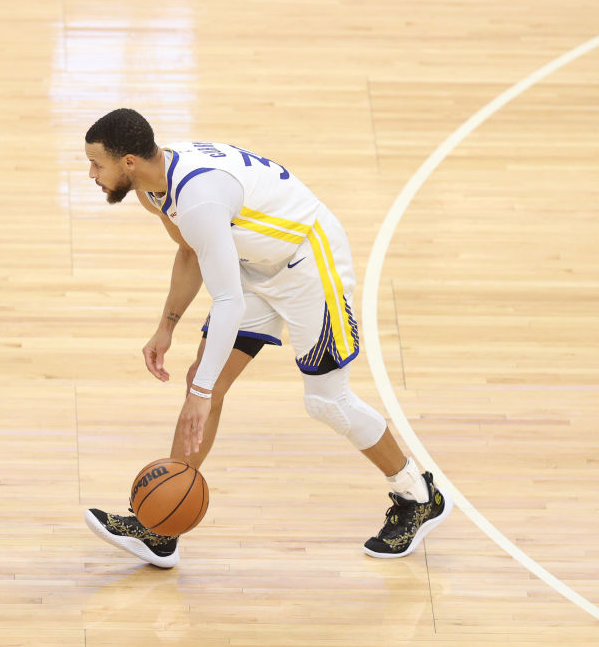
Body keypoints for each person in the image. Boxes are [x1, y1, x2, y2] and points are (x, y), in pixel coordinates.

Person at [82, 108, 451, 568]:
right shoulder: (154, 188)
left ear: (129, 162)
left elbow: (227, 302)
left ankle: (419, 495)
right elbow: (190, 251)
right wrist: (167, 327)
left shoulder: (197, 197)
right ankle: (162, 530)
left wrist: (199, 393)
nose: (92, 174)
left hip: (312, 266)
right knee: (205, 379)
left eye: (98, 164)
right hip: (257, 266)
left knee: (326, 402)